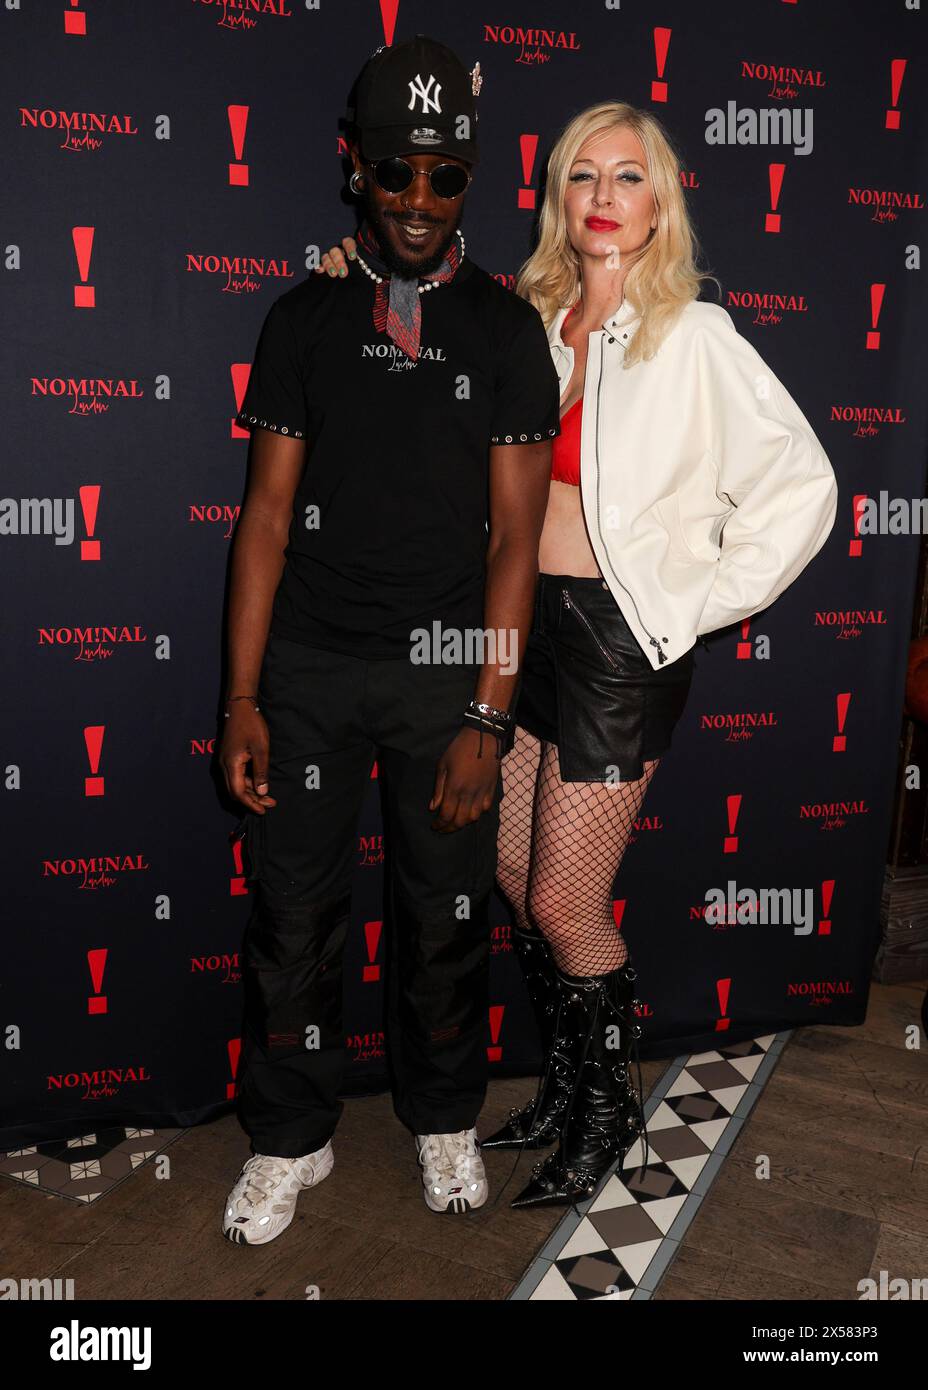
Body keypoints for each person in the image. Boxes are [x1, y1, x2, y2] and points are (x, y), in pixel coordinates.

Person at [317, 99, 838, 1210]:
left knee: (565, 903)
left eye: (628, 178)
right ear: (559, 197)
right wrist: (358, 278)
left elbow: (803, 488)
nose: (603, 198)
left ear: (661, 206)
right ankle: (567, 1087)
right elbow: (414, 374)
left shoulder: (691, 332)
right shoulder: (526, 315)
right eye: (582, 177)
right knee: (509, 871)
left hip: (615, 646)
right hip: (521, 629)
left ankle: (608, 1114)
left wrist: (690, 601)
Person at [217, 34, 560, 1243]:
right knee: (293, 917)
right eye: (397, 171)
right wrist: (241, 698)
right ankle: (288, 1138)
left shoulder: (509, 336)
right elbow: (262, 520)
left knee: (446, 917)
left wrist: (488, 711)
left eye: (445, 176)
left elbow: (516, 544)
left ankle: (444, 1118)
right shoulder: (302, 317)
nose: (419, 201)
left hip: (443, 681)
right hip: (306, 667)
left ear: (473, 180)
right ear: (354, 165)